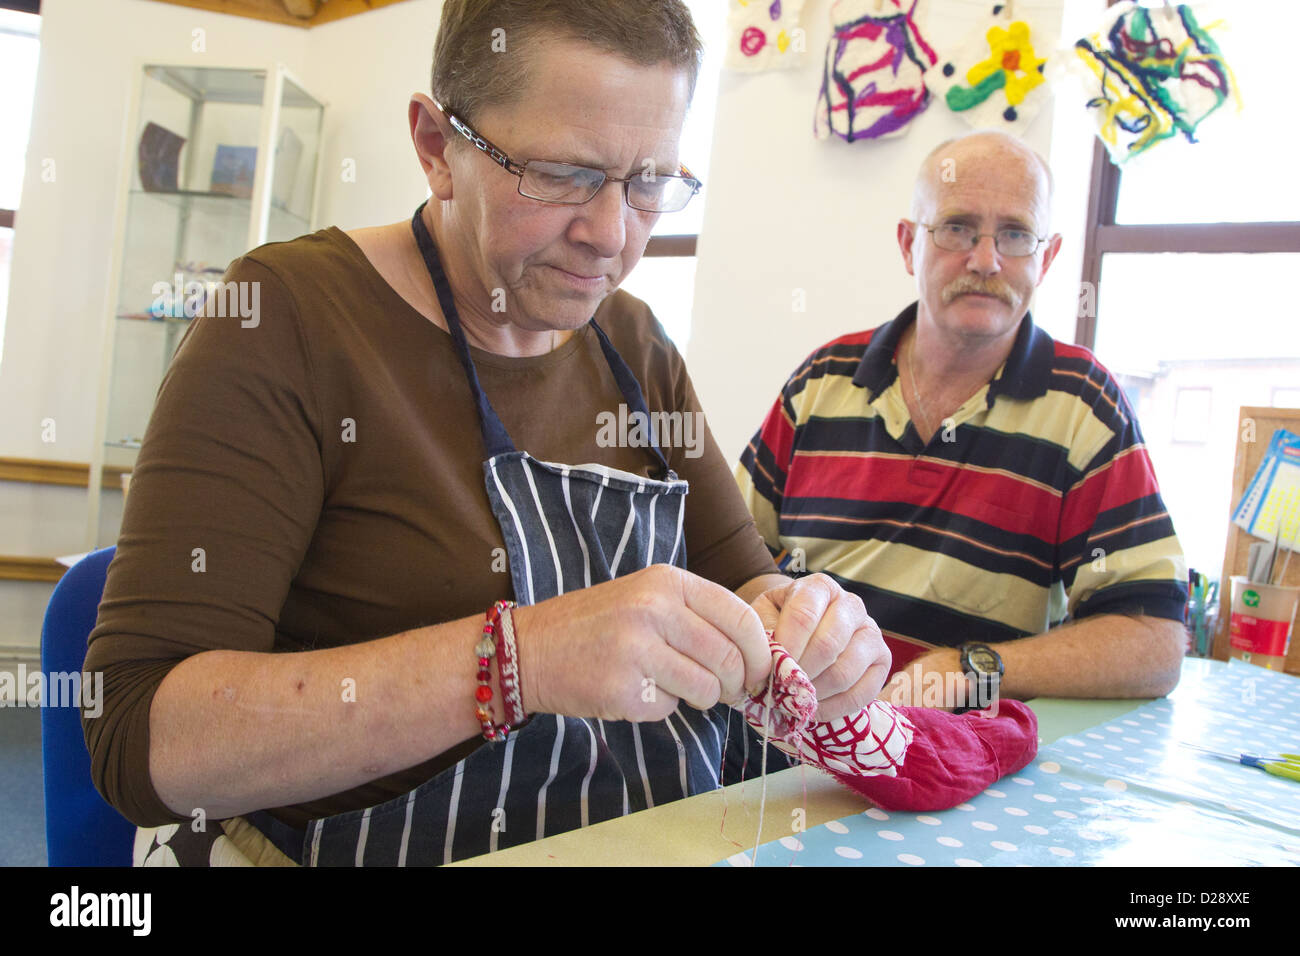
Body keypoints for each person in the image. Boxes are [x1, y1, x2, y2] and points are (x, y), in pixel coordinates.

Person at [82, 0, 890, 867]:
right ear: (437, 147)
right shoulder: (286, 320)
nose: (612, 236)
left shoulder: (636, 344)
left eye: (649, 182)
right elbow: (142, 739)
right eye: (563, 175)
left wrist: (814, 632)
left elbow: (748, 585)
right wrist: (517, 662)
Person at [735, 131, 1187, 711]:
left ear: (1046, 258)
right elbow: (728, 558)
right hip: (782, 737)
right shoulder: (822, 381)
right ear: (908, 246)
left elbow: (1154, 642)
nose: (985, 260)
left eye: (1016, 235)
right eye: (957, 228)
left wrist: (969, 669)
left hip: (952, 756)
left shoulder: (1083, 407)